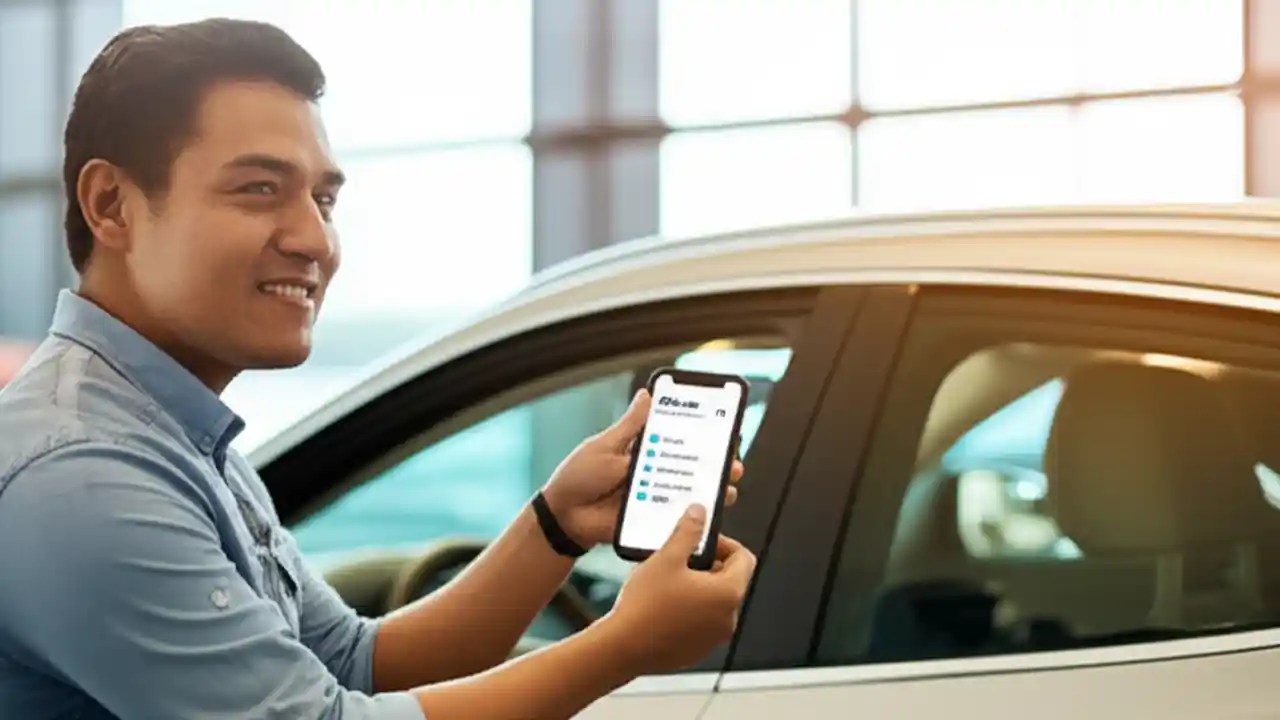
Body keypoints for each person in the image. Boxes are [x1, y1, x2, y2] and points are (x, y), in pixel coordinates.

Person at [0, 18, 756, 720]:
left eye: (323, 198)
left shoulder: (171, 428)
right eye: (259, 189)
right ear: (112, 205)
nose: (315, 240)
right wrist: (625, 645)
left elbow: (358, 663)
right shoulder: (82, 469)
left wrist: (555, 527)